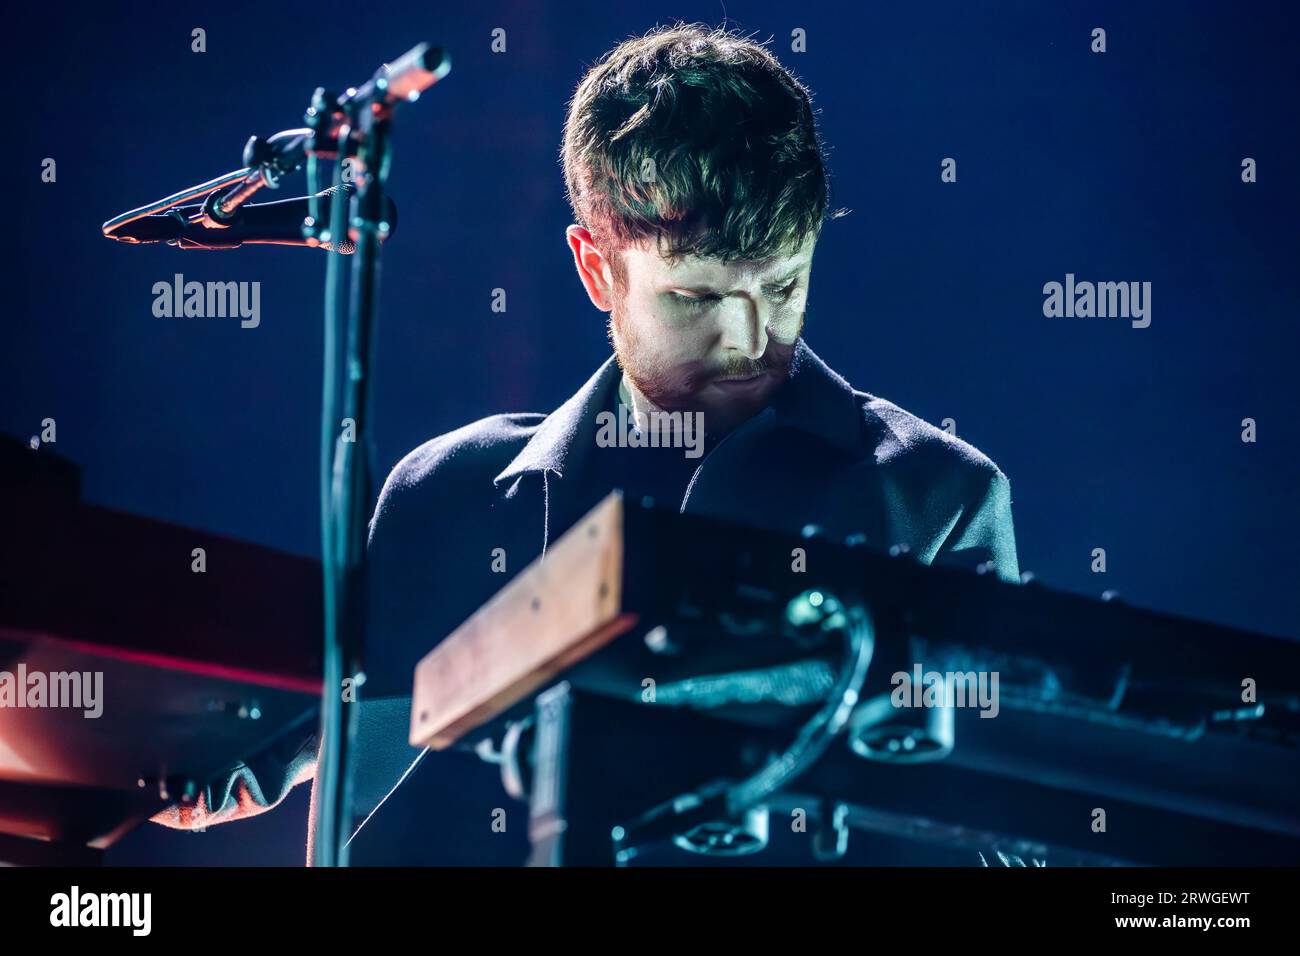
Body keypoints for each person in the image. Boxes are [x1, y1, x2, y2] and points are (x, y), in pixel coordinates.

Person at [153, 23, 1019, 865]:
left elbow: (1011, 830)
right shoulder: (447, 493)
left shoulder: (937, 498)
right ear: (594, 268)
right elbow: (346, 800)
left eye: (784, 284)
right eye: (696, 297)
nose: (750, 340)